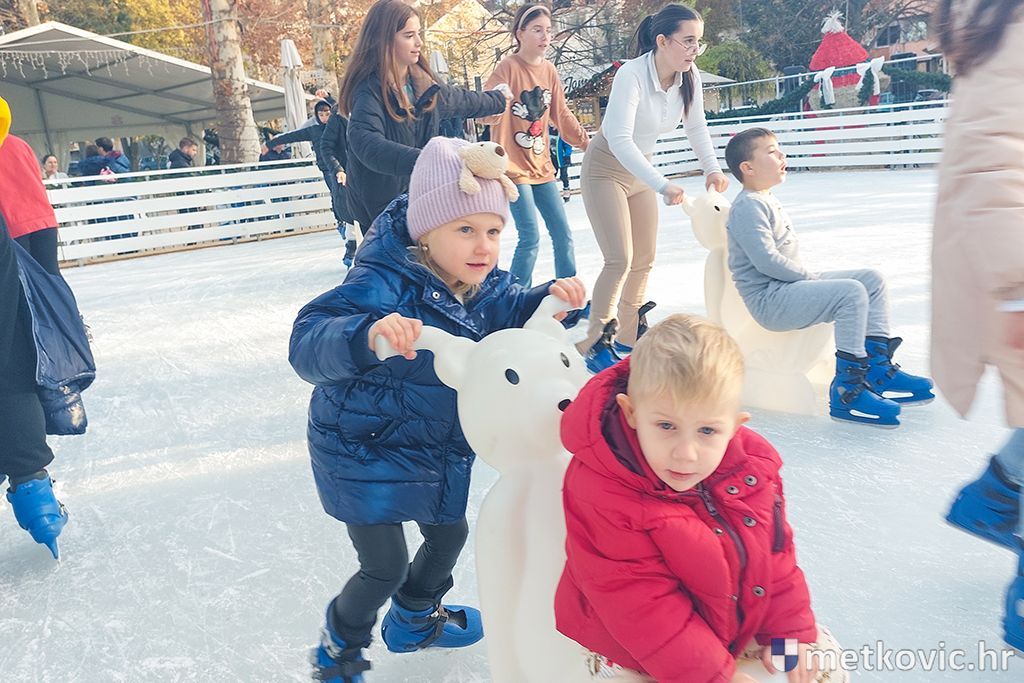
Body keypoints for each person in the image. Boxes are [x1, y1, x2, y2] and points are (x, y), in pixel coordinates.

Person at [289, 136, 586, 683]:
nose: (483, 246)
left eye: (493, 232)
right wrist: (366, 334)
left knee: (449, 537)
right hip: (361, 446)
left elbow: (511, 317)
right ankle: (339, 647)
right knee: (384, 566)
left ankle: (414, 620)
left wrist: (551, 297)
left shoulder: (487, 287)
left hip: (432, 448)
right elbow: (307, 341)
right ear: (426, 232)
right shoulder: (379, 282)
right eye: (465, 230)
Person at [556, 314, 845, 683]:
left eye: (707, 430)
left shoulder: (752, 470)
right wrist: (714, 676)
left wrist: (789, 634)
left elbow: (774, 557)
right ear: (631, 413)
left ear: (735, 426)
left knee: (818, 667)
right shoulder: (603, 490)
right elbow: (639, 602)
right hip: (625, 644)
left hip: (724, 622)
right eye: (666, 426)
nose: (686, 454)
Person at [723, 127, 932, 427]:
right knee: (850, 293)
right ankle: (849, 389)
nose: (782, 155)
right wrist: (810, 277)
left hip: (787, 288)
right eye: (772, 152)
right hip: (770, 300)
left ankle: (876, 368)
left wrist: (808, 279)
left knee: (870, 280)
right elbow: (767, 261)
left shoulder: (763, 199)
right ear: (748, 167)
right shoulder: (747, 206)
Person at [931, 0, 1024, 651]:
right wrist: (1017, 289)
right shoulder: (1014, 33)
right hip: (1014, 275)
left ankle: (998, 490)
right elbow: (991, 162)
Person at [577, 4, 729, 373]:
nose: (694, 50)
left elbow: (696, 127)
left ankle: (628, 341)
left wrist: (712, 167)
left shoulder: (687, 75)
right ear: (662, 41)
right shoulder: (631, 74)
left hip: (639, 172)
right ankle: (595, 341)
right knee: (620, 259)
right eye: (688, 41)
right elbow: (619, 138)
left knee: (644, 260)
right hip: (605, 169)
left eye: (699, 42)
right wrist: (660, 183)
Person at [339, 0, 511, 231]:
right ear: (384, 41)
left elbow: (462, 100)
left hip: (419, 195)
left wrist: (498, 100)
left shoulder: (423, 83)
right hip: (380, 206)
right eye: (409, 35)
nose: (419, 42)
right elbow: (367, 144)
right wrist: (426, 160)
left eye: (418, 34)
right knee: (401, 266)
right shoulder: (369, 90)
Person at [0, 99, 70, 560]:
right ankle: (35, 497)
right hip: (11, 266)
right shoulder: (12, 148)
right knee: (13, 371)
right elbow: (38, 225)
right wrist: (54, 290)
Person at [482, 2, 589, 287]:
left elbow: (561, 114)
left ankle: (567, 294)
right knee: (529, 236)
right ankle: (515, 297)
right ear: (520, 34)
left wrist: (585, 142)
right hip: (513, 167)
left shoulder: (550, 71)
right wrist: (496, 100)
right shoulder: (507, 67)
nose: (545, 37)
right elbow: (485, 106)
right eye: (537, 30)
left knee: (562, 232)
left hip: (541, 167)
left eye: (548, 31)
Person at [0, 126, 62, 275]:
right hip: (42, 217)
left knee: (21, 281)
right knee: (51, 277)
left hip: (11, 223)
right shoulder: (20, 144)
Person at [319, 110, 360, 267]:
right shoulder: (338, 115)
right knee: (350, 213)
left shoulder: (375, 104)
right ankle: (351, 247)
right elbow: (326, 146)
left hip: (371, 172)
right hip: (346, 174)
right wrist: (338, 170)